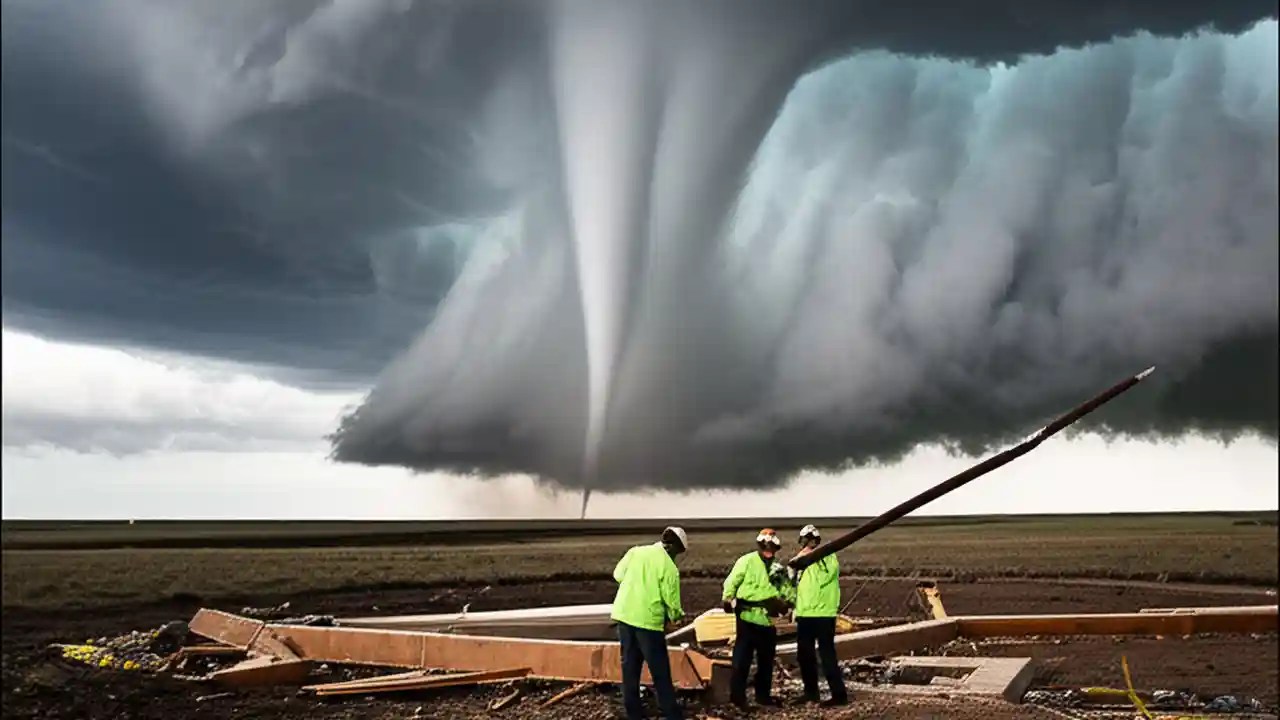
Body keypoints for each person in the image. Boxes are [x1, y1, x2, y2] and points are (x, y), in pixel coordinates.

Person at [611, 526, 688, 720]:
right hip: (648, 623)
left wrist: (636, 586)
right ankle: (671, 713)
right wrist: (677, 617)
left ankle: (634, 713)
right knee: (660, 670)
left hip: (625, 615)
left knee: (630, 667)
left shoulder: (635, 551)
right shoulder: (669, 567)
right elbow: (672, 602)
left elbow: (618, 575)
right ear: (675, 548)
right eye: (678, 553)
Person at [722, 528, 790, 709]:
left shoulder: (778, 569)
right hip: (746, 617)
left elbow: (786, 591)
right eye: (765, 545)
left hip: (766, 620)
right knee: (741, 660)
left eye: (772, 546)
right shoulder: (746, 561)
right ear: (760, 546)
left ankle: (763, 696)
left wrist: (787, 602)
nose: (769, 549)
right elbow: (732, 582)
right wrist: (727, 598)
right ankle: (738, 699)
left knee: (766, 661)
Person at [791, 524, 848, 706]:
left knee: (826, 655)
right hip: (805, 614)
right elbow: (793, 582)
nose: (807, 545)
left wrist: (805, 558)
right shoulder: (801, 563)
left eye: (809, 541)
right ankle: (811, 693)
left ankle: (839, 695)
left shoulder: (829, 558)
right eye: (805, 541)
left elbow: (824, 576)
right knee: (805, 655)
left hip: (823, 614)